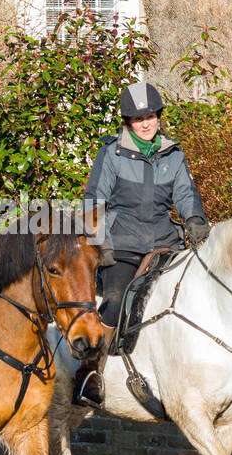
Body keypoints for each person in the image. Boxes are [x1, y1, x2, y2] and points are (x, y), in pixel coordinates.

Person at [73, 80, 209, 407]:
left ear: (159, 116)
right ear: (128, 123)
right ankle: (90, 372)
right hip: (122, 244)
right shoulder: (111, 153)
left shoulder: (173, 154)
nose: (146, 123)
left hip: (165, 242)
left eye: (150, 116)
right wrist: (97, 245)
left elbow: (186, 195)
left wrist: (195, 221)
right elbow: (94, 201)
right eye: (138, 119)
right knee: (117, 299)